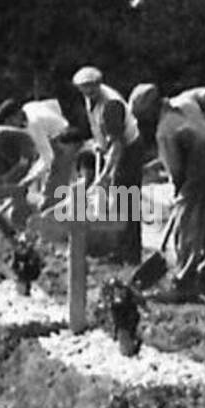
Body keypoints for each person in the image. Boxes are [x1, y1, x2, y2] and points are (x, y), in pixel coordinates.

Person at [129, 84, 205, 302]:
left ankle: (184, 284)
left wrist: (180, 196)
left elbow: (176, 172)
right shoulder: (186, 102)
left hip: (199, 173)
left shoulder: (164, 131)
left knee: (187, 229)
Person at [72, 65, 144, 263]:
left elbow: (118, 145)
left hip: (129, 150)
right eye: (85, 87)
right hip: (114, 147)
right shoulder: (90, 100)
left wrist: (104, 175)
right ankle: (119, 248)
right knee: (116, 199)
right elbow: (99, 127)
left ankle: (129, 254)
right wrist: (99, 144)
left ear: (99, 84)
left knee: (126, 199)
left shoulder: (110, 104)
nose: (89, 91)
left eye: (92, 86)